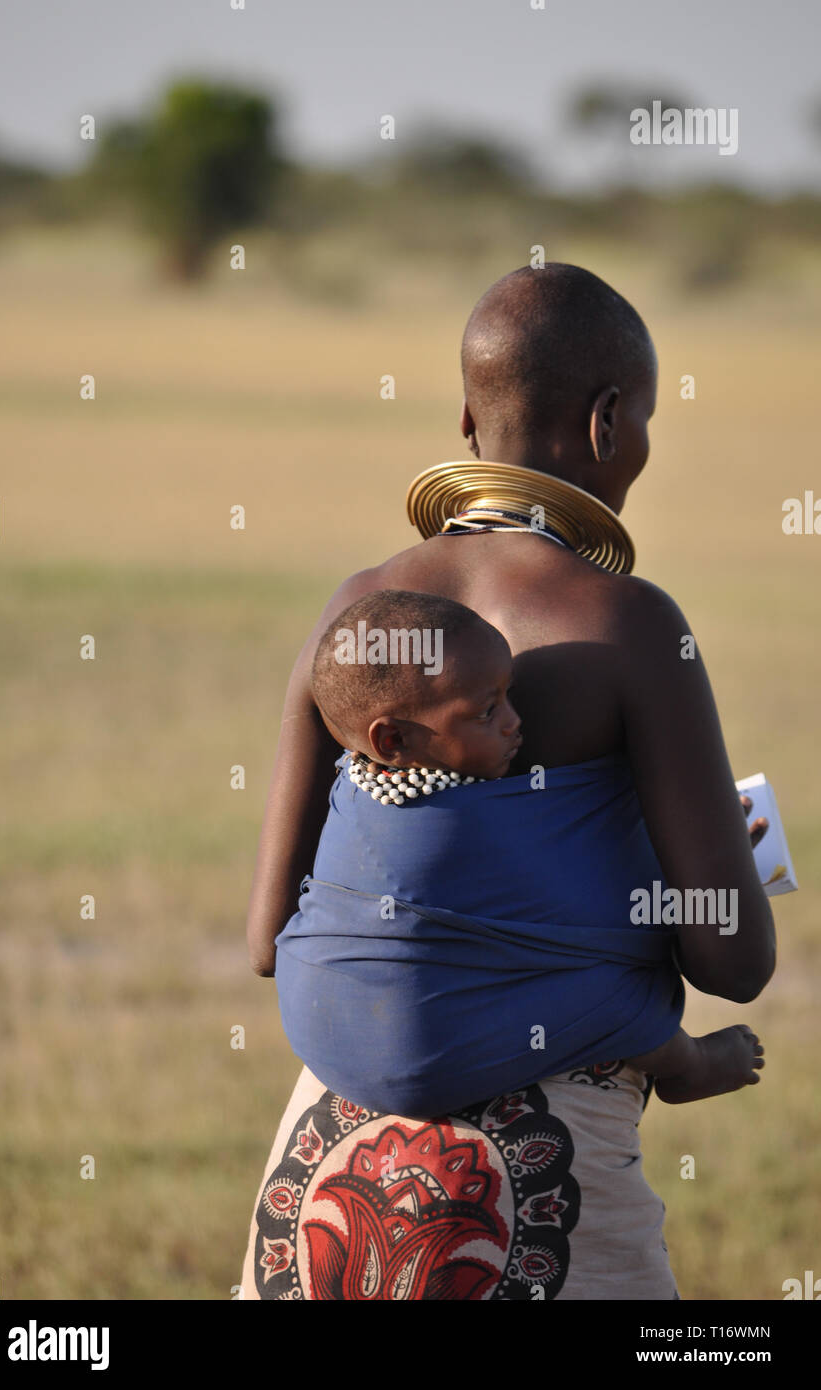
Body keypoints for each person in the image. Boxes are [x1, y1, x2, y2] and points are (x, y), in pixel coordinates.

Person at [239, 263, 776, 1301]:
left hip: (326, 1169)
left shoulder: (356, 610)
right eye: (645, 419)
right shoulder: (629, 622)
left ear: (465, 421)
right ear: (607, 421)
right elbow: (733, 959)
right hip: (543, 1167)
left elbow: (268, 939)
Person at [273, 587, 764, 1117]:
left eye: (508, 695)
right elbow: (612, 911)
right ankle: (688, 1065)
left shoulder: (352, 785)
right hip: (418, 1063)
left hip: (313, 1023)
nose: (514, 722)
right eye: (487, 712)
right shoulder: (456, 824)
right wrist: (711, 848)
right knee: (609, 988)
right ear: (392, 740)